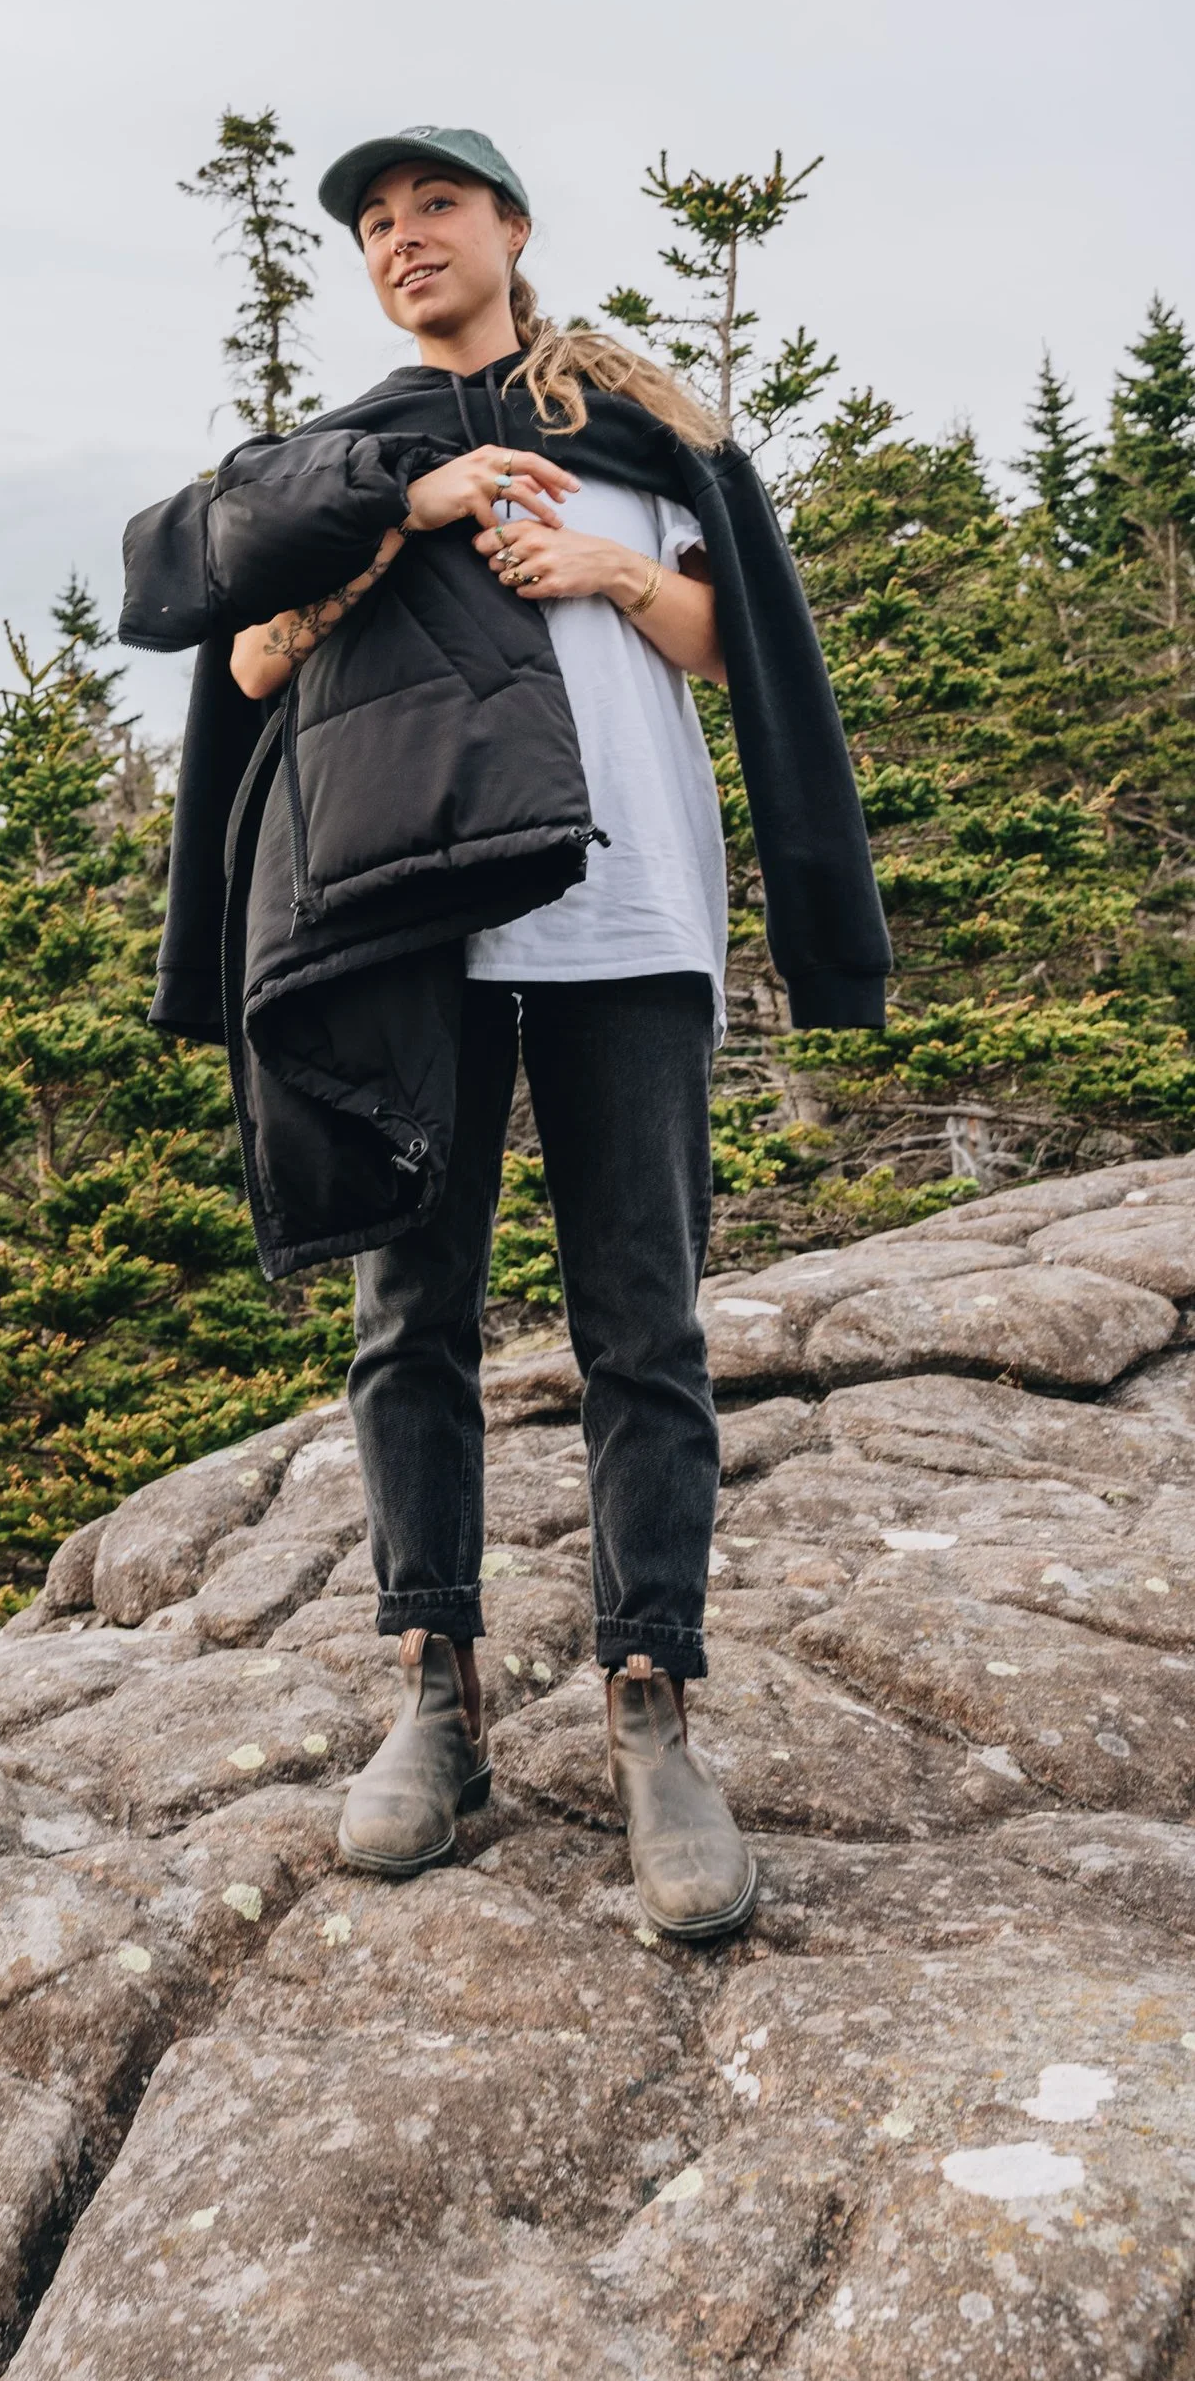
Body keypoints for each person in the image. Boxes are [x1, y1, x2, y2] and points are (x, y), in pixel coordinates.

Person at [119, 123, 889, 1942]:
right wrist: (407, 509)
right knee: (415, 1318)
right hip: (419, 939)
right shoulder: (353, 459)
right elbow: (231, 655)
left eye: (434, 208)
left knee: (646, 1312)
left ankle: (651, 1703)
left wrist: (611, 577)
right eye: (377, 224)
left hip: (628, 919)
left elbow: (737, 644)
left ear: (512, 228)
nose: (405, 240)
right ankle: (435, 1693)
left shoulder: (638, 422)